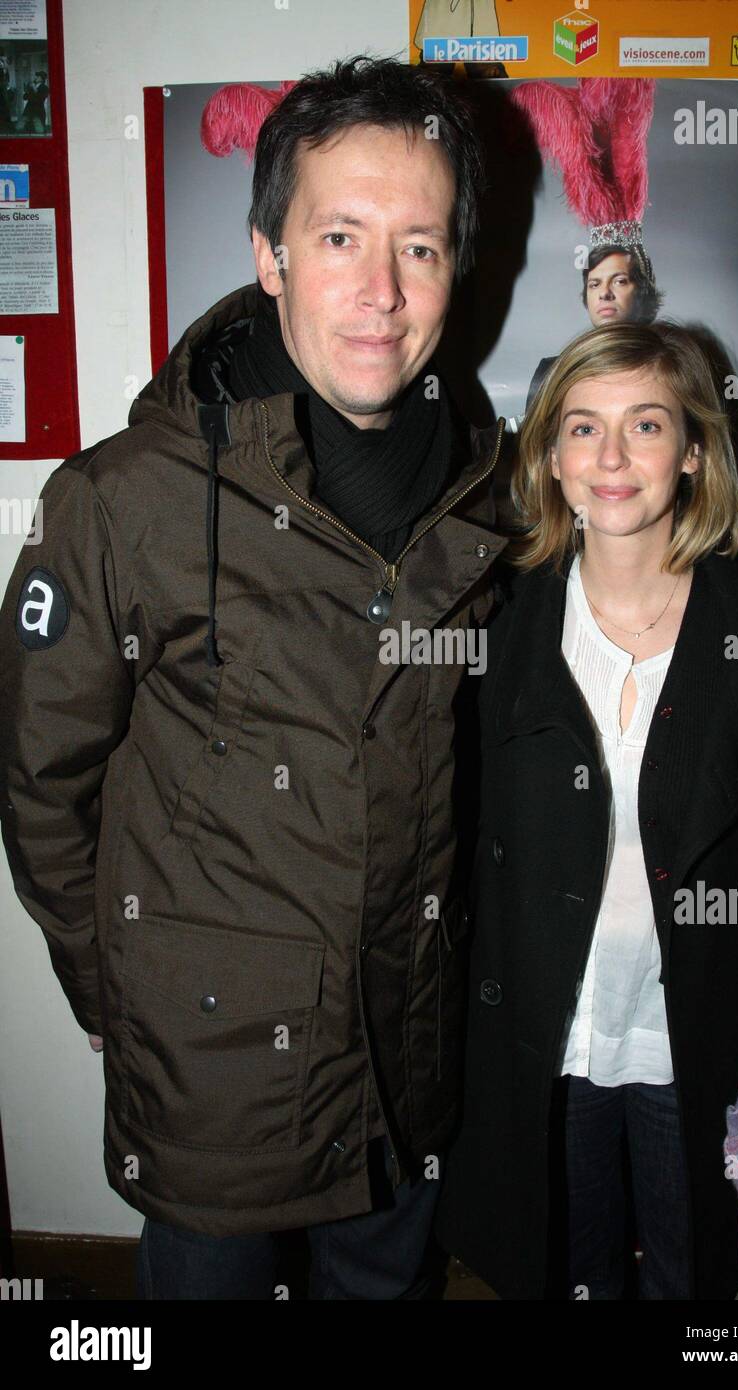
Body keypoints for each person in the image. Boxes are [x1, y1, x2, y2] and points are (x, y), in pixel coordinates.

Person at [0, 54, 509, 1300]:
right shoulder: (120, 499)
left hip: (406, 1057)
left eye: (422, 247)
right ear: (269, 252)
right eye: (339, 236)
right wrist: (125, 993)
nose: (382, 292)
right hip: (212, 1077)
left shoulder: (485, 491)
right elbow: (36, 782)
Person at [434, 320, 738, 1299]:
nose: (613, 458)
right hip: (554, 1043)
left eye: (646, 425)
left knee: (696, 1280)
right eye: (583, 428)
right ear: (548, 454)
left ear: (695, 451)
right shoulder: (497, 629)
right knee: (570, 1272)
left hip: (697, 1040)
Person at [524, 241, 662, 414]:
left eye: (619, 281)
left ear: (642, 291)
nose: (604, 293)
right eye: (594, 284)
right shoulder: (550, 372)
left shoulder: (671, 366)